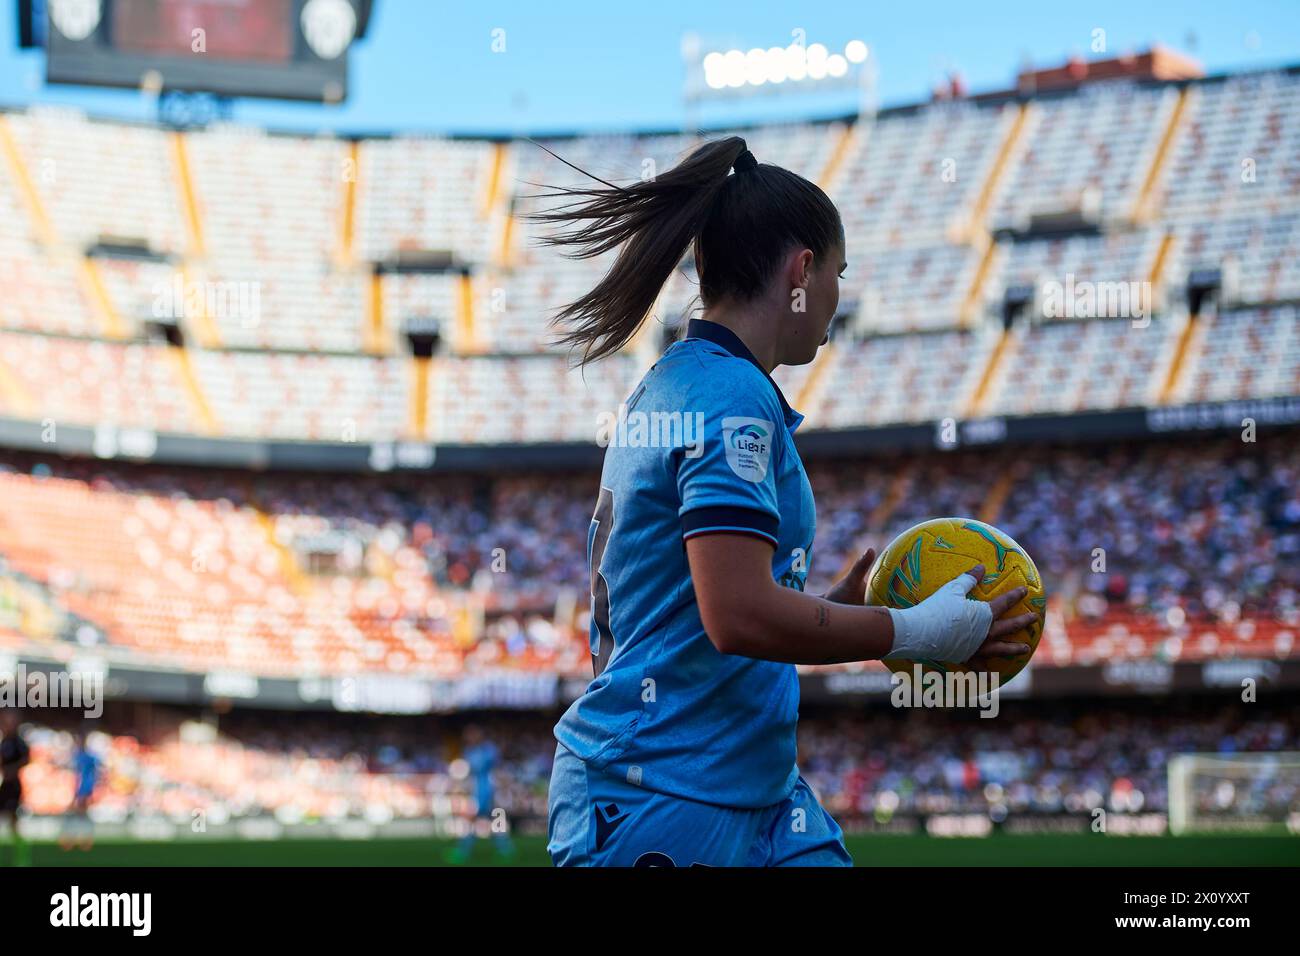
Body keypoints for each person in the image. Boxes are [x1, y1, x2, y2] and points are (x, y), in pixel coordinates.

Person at [532, 137, 1037, 866]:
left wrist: (829, 606)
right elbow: (736, 615)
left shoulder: (688, 383)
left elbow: (709, 620)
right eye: (838, 274)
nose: (836, 297)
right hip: (660, 793)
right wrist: (910, 630)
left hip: (751, 789)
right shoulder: (730, 399)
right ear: (802, 271)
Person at [445, 725, 514, 864]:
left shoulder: (488, 750)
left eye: (472, 734)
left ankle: (464, 852)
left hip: (487, 790)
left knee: (483, 821)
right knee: (487, 821)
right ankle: (505, 850)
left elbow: (490, 768)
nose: (469, 737)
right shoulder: (469, 751)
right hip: (477, 790)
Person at [60, 731, 101, 851]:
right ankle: (76, 840)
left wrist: (89, 789)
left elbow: (93, 773)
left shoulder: (88, 757)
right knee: (77, 814)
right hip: (75, 789)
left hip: (83, 788)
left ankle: (79, 840)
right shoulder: (76, 756)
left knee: (79, 814)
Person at [0, 710, 31, 867]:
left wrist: (12, 770)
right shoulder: (4, 740)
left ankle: (22, 858)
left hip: (12, 786)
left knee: (14, 822)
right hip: (3, 784)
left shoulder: (18, 742)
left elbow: (26, 759)